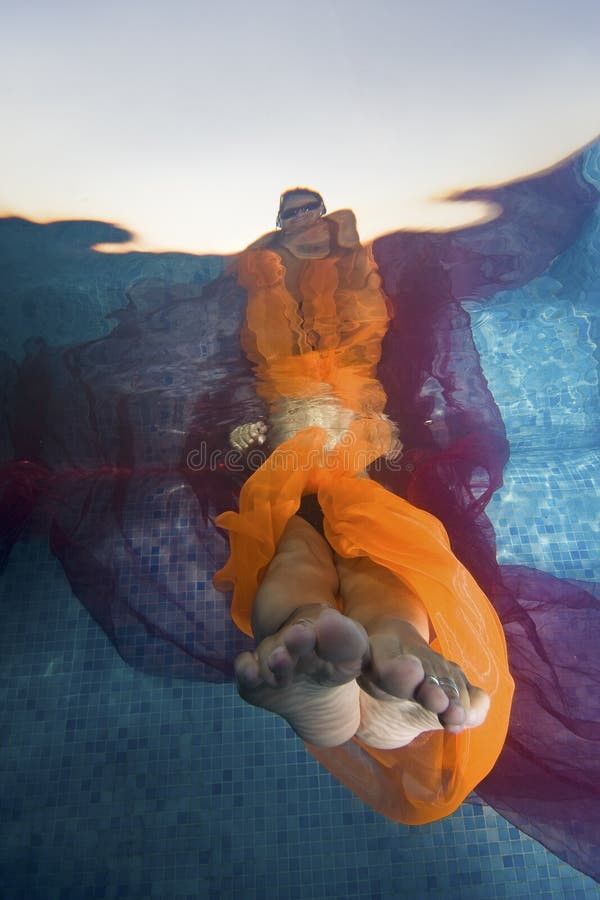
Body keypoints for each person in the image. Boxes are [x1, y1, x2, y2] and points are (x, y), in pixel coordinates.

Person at [214, 189, 514, 816]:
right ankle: (393, 642)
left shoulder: (311, 311)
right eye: (292, 213)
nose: (302, 219)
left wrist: (254, 442)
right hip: (328, 469)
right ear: (283, 226)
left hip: (310, 472)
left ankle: (313, 633)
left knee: (303, 554)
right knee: (367, 558)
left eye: (309, 209)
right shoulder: (313, 307)